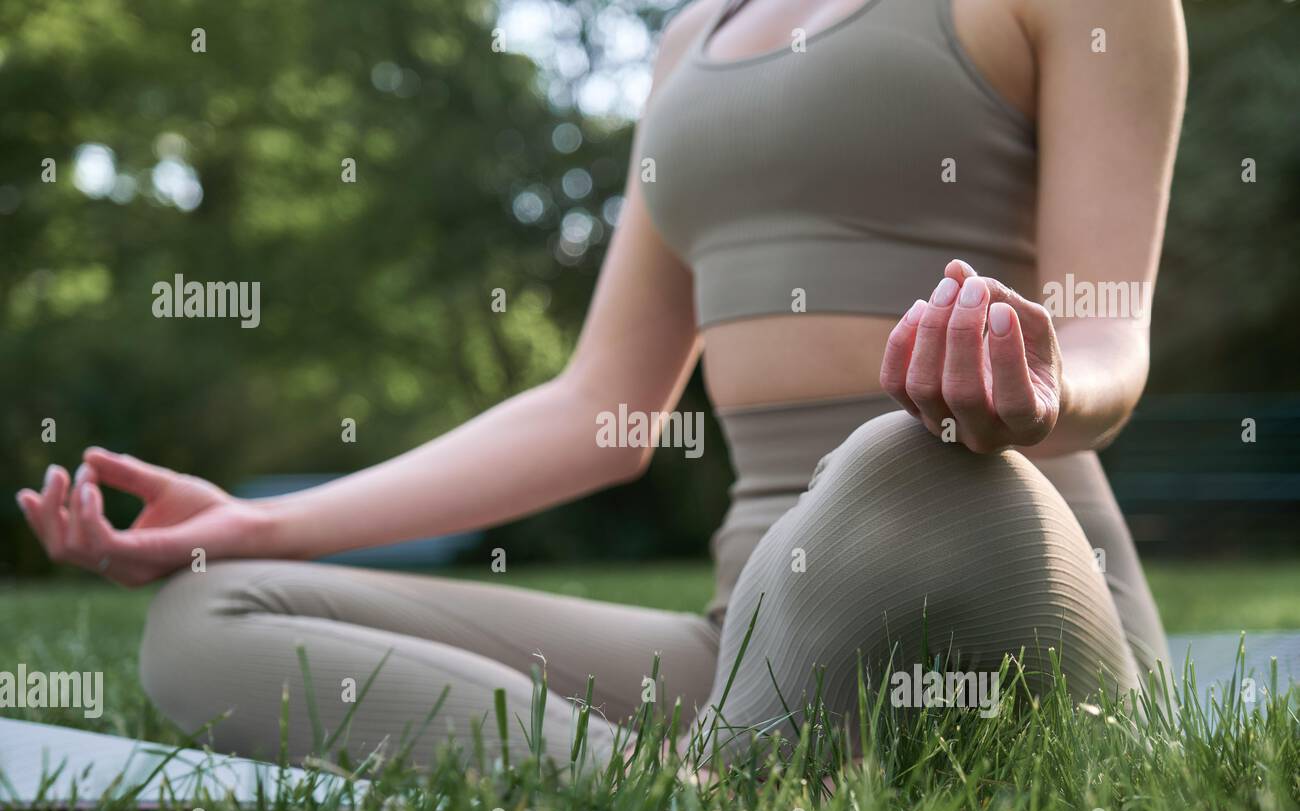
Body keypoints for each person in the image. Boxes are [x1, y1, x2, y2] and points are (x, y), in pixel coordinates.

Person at [17, 0, 1188, 767]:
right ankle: (686, 799)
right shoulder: (691, 42)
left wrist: (1030, 385)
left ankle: (730, 777)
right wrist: (255, 522)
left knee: (897, 456)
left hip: (999, 581)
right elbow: (597, 406)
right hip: (751, 630)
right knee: (210, 611)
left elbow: (1106, 345)